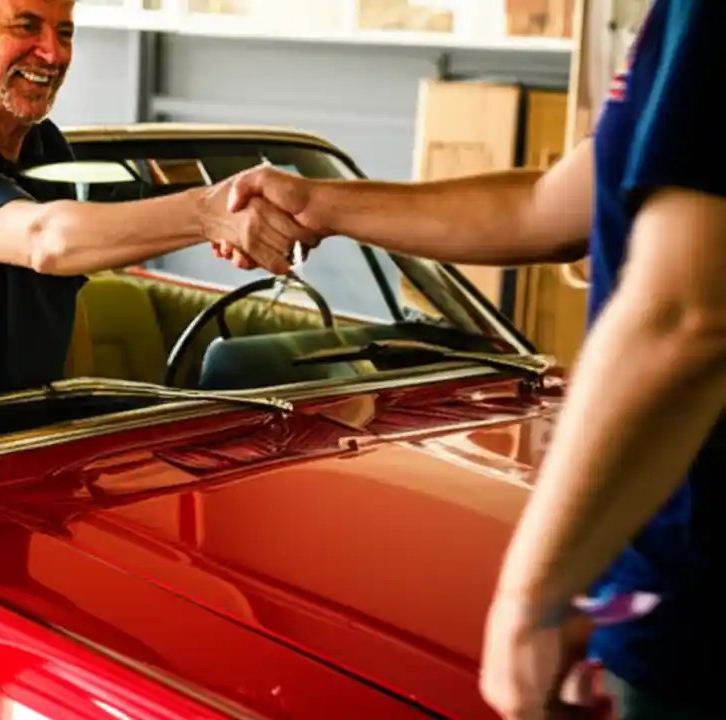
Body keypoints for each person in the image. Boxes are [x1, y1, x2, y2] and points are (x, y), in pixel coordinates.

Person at [224, 1, 725, 717]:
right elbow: (551, 206)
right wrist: (319, 203)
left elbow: (684, 313)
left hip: (696, 616)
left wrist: (530, 598)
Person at [0, 0, 310, 452]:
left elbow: (63, 298)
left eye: (64, 33)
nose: (54, 53)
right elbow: (46, 240)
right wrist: (209, 212)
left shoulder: (46, 151)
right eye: (26, 26)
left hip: (11, 452)